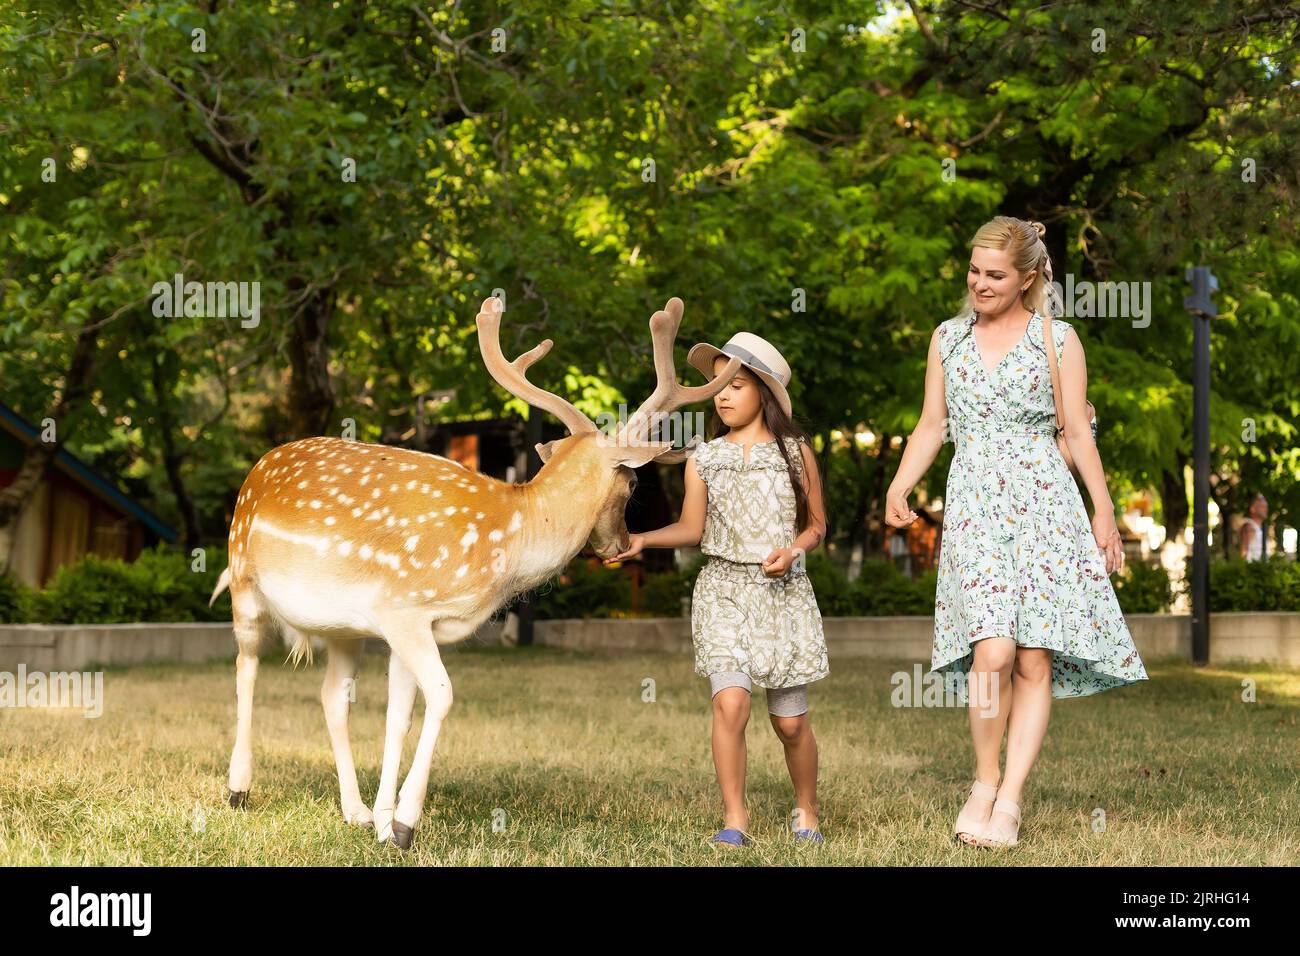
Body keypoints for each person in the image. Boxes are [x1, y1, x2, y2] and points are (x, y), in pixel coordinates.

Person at [885, 216, 1148, 849]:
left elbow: (1077, 432)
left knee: (1034, 657)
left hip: (1044, 505)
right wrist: (898, 484)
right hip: (977, 505)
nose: (980, 283)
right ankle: (983, 781)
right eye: (974, 271)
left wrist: (1104, 511)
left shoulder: (1059, 341)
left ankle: (1010, 800)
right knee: (991, 651)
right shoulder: (947, 339)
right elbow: (930, 426)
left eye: (995, 274)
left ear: (1028, 277)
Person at [606, 331, 829, 847]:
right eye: (717, 386)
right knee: (730, 704)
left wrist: (795, 550)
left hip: (783, 596)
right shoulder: (704, 458)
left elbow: (816, 525)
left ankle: (806, 811)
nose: (723, 395)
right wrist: (641, 540)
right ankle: (735, 821)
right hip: (723, 591)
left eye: (737, 385)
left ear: (765, 394)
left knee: (790, 724)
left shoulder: (796, 453)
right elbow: (691, 527)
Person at [1240, 493, 1268, 561]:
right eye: (1262, 506)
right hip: (1253, 569)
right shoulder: (1249, 527)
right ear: (1252, 509)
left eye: (1266, 507)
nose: (1265, 509)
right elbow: (1243, 551)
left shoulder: (1261, 528)